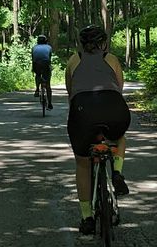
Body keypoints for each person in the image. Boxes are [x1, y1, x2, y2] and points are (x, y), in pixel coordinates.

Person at [65, 25, 130, 234]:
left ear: (81, 44)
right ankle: (117, 172)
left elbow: (71, 94)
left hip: (83, 112)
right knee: (119, 137)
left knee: (83, 163)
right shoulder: (111, 59)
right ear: (104, 43)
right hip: (113, 108)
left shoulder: (73, 60)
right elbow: (119, 88)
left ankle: (87, 218)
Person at [31, 34, 53, 107]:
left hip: (36, 64)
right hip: (46, 64)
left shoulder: (34, 47)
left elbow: (33, 58)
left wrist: (33, 68)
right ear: (46, 41)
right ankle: (50, 103)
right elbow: (49, 58)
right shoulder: (49, 47)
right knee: (48, 84)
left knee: (37, 74)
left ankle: (37, 89)